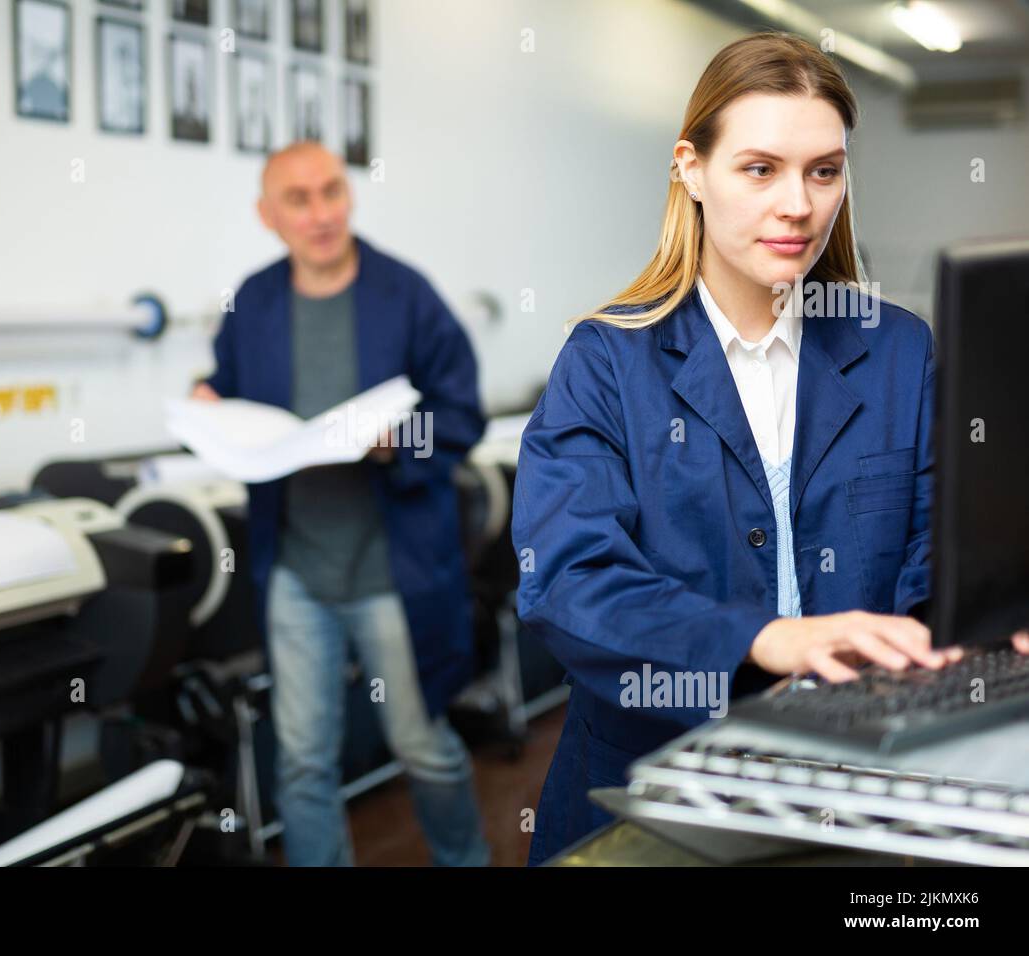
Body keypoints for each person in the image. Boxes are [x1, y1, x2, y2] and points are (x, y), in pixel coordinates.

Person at [511, 31, 1029, 865]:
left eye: (823, 171)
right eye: (760, 169)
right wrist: (763, 639)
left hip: (863, 794)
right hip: (653, 792)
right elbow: (569, 583)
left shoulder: (897, 351)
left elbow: (940, 560)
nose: (799, 203)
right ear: (692, 169)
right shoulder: (606, 361)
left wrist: (988, 631)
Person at [192, 142, 490, 866]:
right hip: (296, 570)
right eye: (298, 199)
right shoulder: (254, 300)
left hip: (392, 569)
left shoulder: (407, 295)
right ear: (269, 216)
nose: (321, 213)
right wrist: (208, 401)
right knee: (301, 761)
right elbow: (230, 389)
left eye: (332, 191)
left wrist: (397, 443)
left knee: (423, 748)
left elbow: (461, 414)